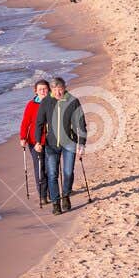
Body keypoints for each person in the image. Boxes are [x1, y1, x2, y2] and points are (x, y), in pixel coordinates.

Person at [41, 77, 87, 213]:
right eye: (54, 89)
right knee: (52, 174)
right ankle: (56, 203)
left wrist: (82, 144)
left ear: (64, 87)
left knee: (67, 172)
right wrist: (38, 141)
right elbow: (39, 122)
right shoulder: (46, 102)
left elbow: (81, 124)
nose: (57, 92)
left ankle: (66, 195)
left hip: (69, 143)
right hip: (51, 144)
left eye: (59, 89)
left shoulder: (73, 101)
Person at [19, 80, 52, 206]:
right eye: (40, 89)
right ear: (35, 91)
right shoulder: (31, 105)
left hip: (51, 141)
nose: (43, 91)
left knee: (51, 169)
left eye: (45, 89)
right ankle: (43, 195)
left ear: (49, 90)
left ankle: (51, 192)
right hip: (34, 141)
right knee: (40, 168)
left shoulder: (53, 103)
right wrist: (23, 138)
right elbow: (25, 122)